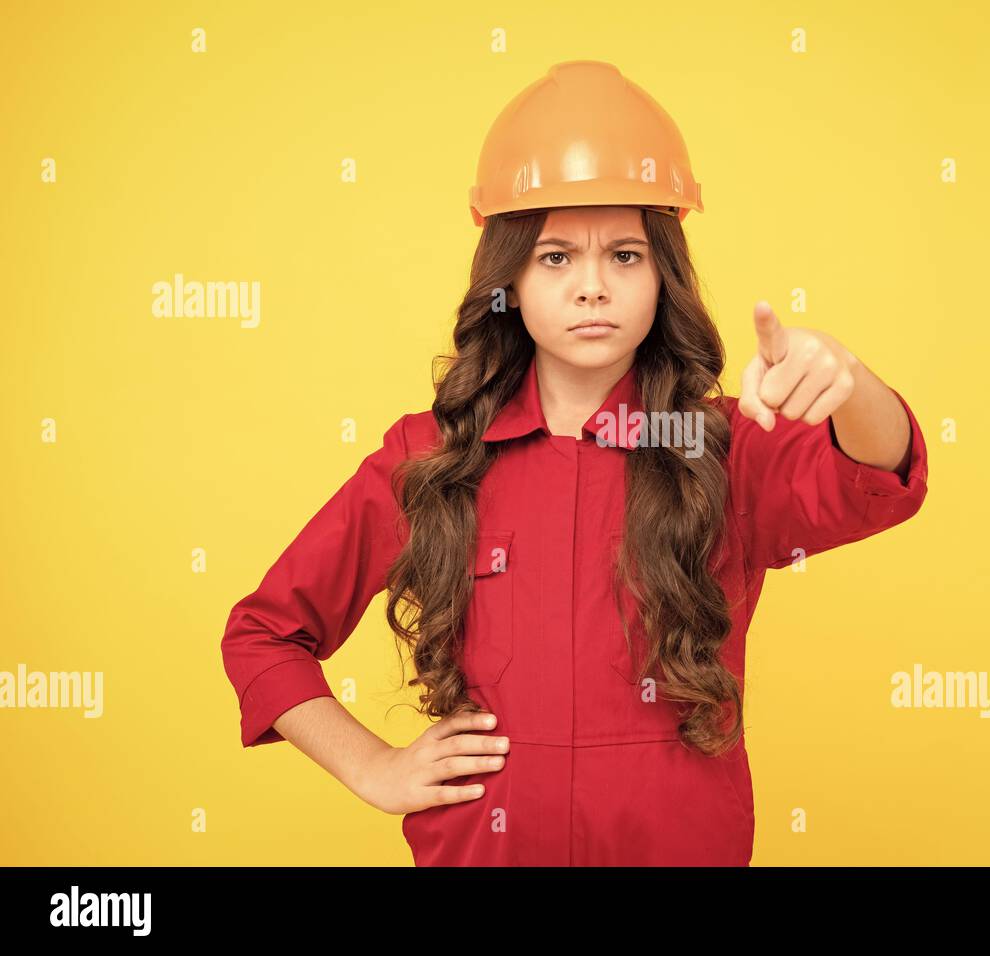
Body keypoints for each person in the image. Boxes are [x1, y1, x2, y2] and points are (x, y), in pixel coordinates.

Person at [220, 60, 929, 866]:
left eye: (625, 255)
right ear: (508, 280)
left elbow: (881, 476)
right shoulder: (429, 458)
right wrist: (374, 767)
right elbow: (263, 636)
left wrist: (847, 381)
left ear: (664, 276)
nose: (593, 286)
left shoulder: (723, 448)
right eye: (556, 257)